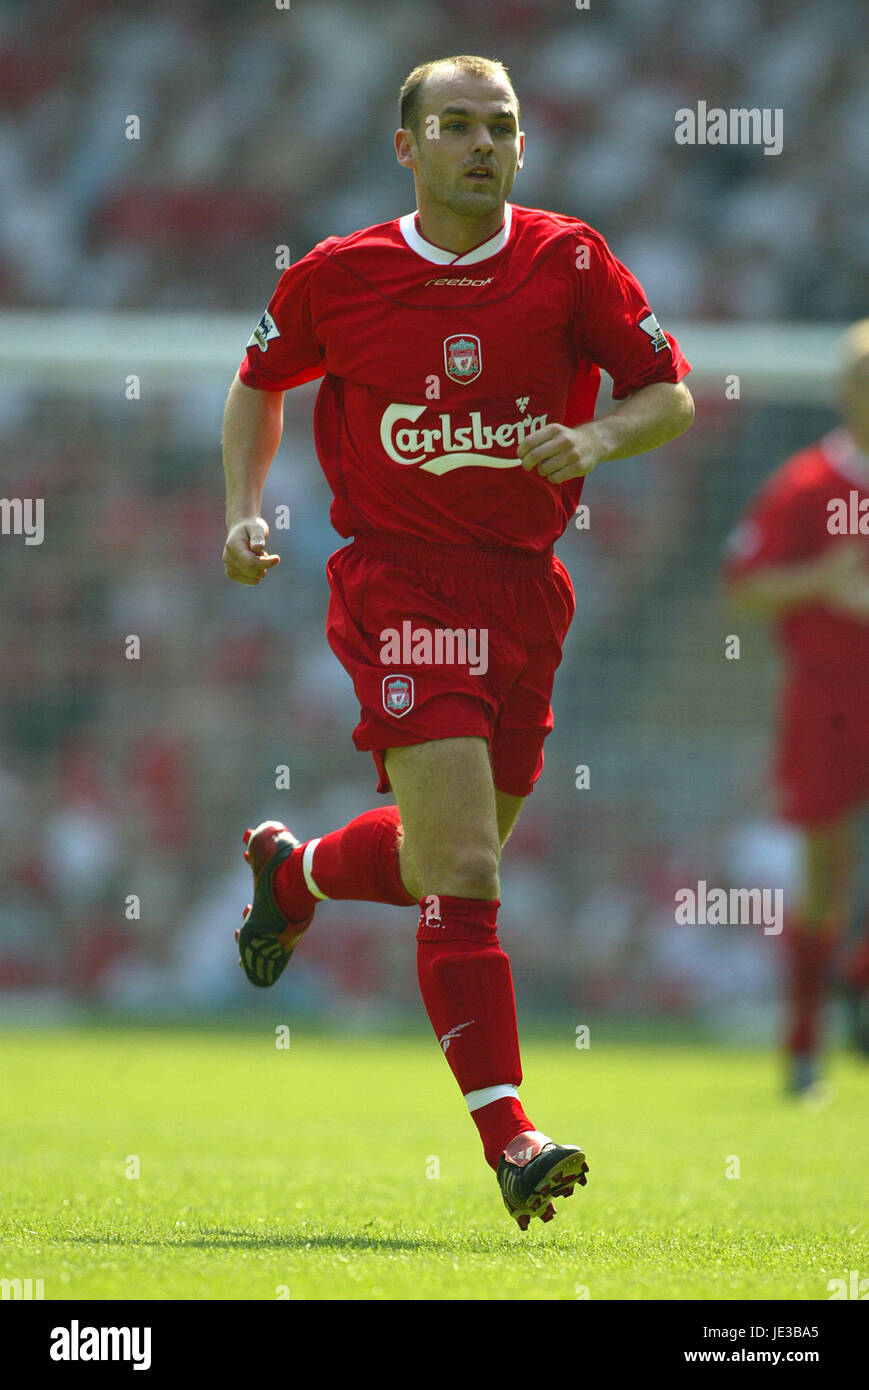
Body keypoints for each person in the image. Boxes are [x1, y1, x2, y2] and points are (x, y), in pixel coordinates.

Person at [222, 54, 694, 1227]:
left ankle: (299, 871)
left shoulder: (567, 259)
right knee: (471, 877)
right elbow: (258, 380)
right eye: (457, 125)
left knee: (443, 857)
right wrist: (242, 506)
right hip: (400, 587)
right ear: (408, 147)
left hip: (524, 592)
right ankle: (510, 1137)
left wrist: (594, 441)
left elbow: (667, 395)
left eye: (502, 126)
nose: (483, 143)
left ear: (521, 146)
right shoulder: (341, 275)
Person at [723, 319, 869, 1095]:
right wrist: (822, 583)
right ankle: (804, 1041)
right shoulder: (808, 484)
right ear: (845, 391)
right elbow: (742, 583)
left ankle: (858, 972)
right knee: (825, 874)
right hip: (826, 702)